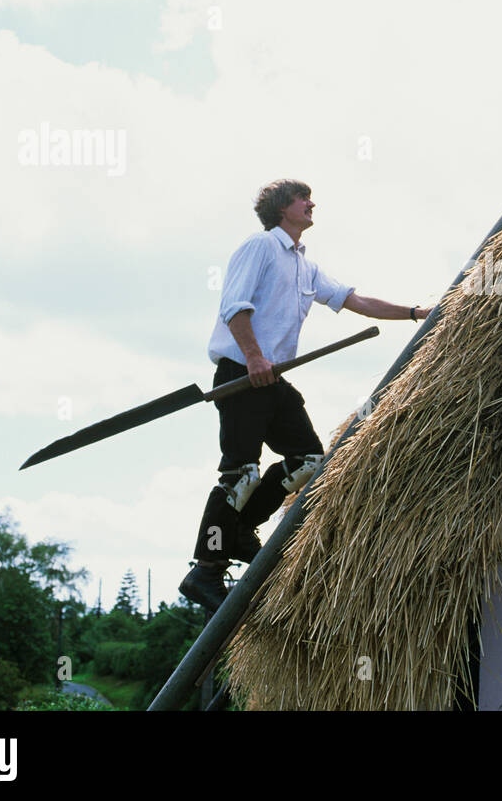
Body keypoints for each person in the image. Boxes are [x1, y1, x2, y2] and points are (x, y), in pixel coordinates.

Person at [179, 179, 433, 612]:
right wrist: (254, 357)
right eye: (303, 198)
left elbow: (356, 300)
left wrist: (413, 313)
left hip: (272, 376)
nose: (312, 203)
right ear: (283, 208)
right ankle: (205, 569)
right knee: (240, 474)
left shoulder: (304, 265)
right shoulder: (259, 248)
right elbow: (234, 306)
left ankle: (239, 528)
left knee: (308, 463)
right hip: (242, 372)